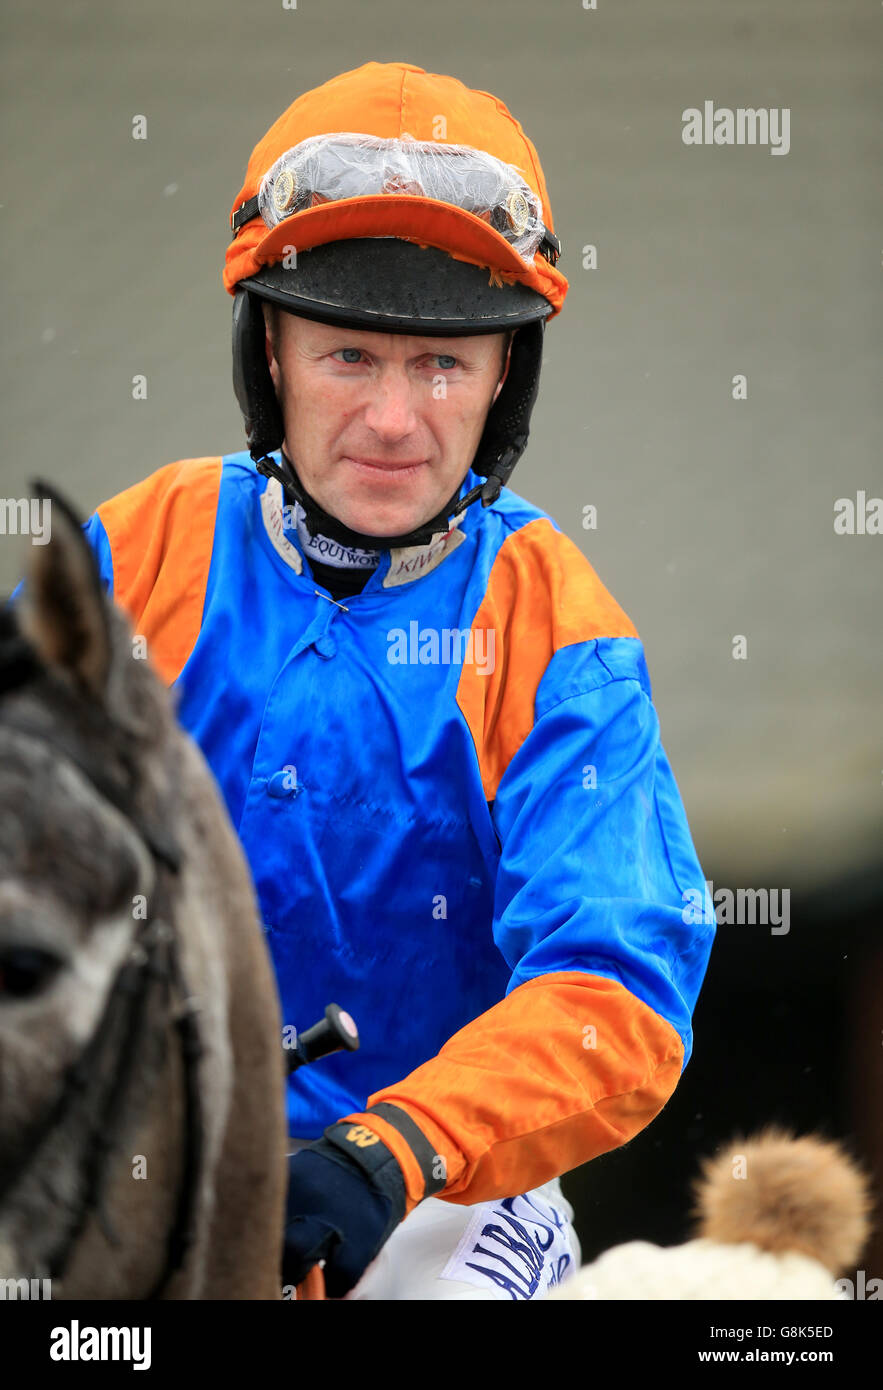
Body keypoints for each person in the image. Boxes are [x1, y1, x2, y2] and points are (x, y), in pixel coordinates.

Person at [17, 61, 716, 1300]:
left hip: (434, 1197)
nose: (396, 419)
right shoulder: (140, 557)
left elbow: (617, 986)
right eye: (348, 354)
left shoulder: (557, 627)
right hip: (137, 1164)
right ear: (270, 351)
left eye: (442, 363)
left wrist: (398, 1143)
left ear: (506, 376)